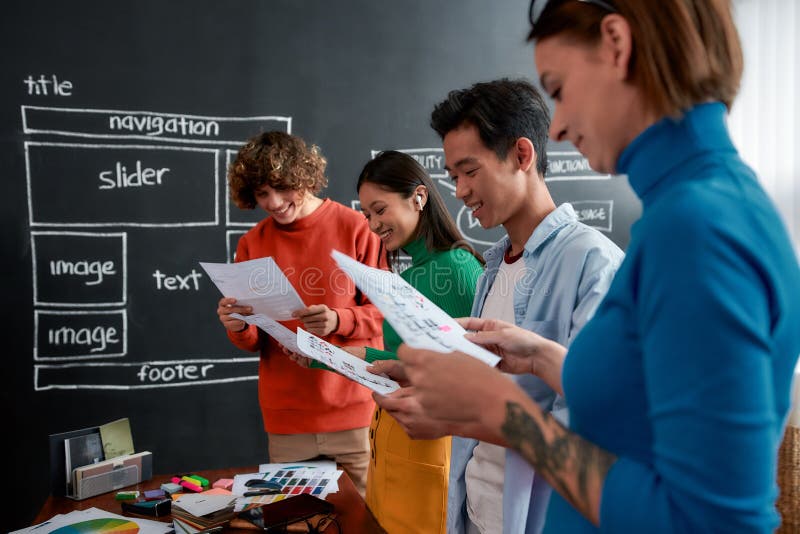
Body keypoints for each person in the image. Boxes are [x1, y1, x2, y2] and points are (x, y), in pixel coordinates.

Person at [387, 1, 800, 532]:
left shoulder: (697, 225)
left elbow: (710, 520)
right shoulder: (696, 207)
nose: (557, 127)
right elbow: (642, 404)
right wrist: (539, 356)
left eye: (559, 90)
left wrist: (503, 414)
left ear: (617, 45)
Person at [376, 79, 623, 534]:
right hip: (475, 509)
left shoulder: (593, 263)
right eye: (453, 177)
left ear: (522, 155)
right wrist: (422, 376)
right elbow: (489, 377)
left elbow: (593, 421)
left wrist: (458, 416)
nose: (460, 191)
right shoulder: (493, 267)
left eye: (470, 171)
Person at [296, 150, 485, 533]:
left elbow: (479, 371)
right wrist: (322, 355)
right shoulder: (411, 274)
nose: (373, 225)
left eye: (380, 210)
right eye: (367, 215)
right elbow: (400, 361)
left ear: (418, 197)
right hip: (394, 443)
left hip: (431, 448)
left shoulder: (456, 267)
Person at [216, 131, 388, 497]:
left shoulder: (357, 228)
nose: (274, 203)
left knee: (368, 518)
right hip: (287, 421)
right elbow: (252, 340)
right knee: (294, 518)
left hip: (355, 412)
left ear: (304, 176)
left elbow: (386, 313)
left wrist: (339, 320)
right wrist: (238, 325)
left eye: (282, 188)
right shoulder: (251, 243)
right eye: (262, 193)